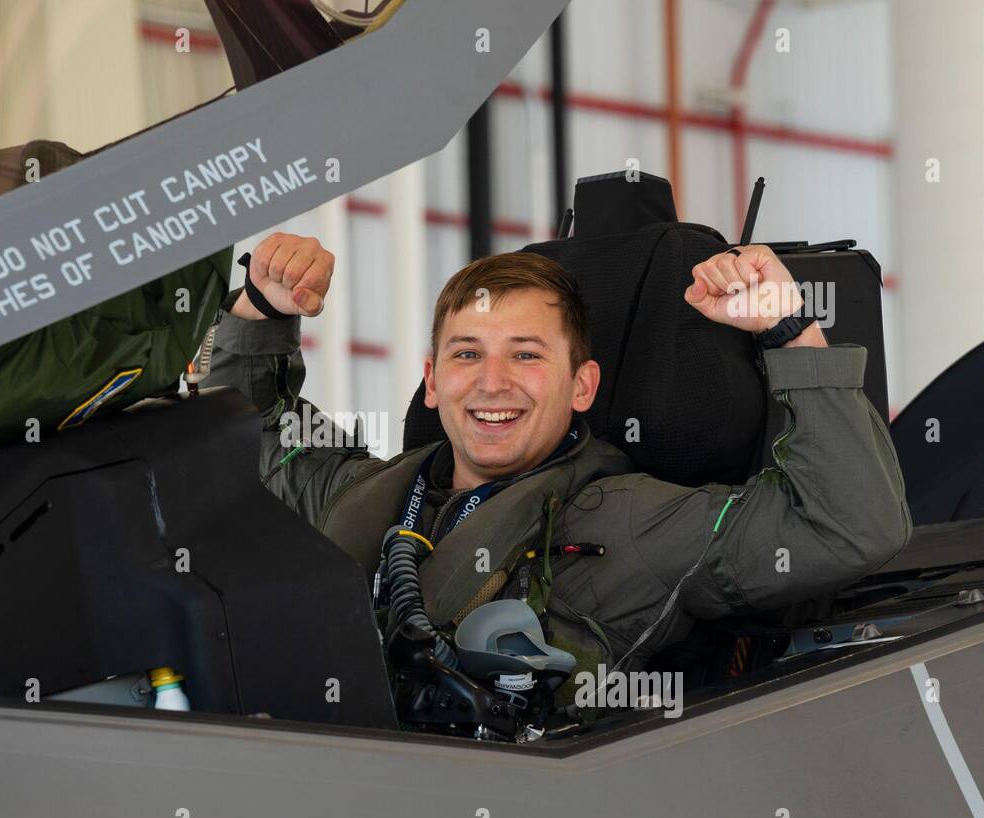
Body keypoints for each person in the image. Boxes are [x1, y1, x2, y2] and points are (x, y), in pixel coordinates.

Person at [205, 232, 911, 680]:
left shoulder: (629, 522)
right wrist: (263, 309)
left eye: (527, 356)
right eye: (466, 354)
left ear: (583, 386)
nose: (491, 383)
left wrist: (791, 335)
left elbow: (846, 527)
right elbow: (238, 434)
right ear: (432, 377)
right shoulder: (364, 490)